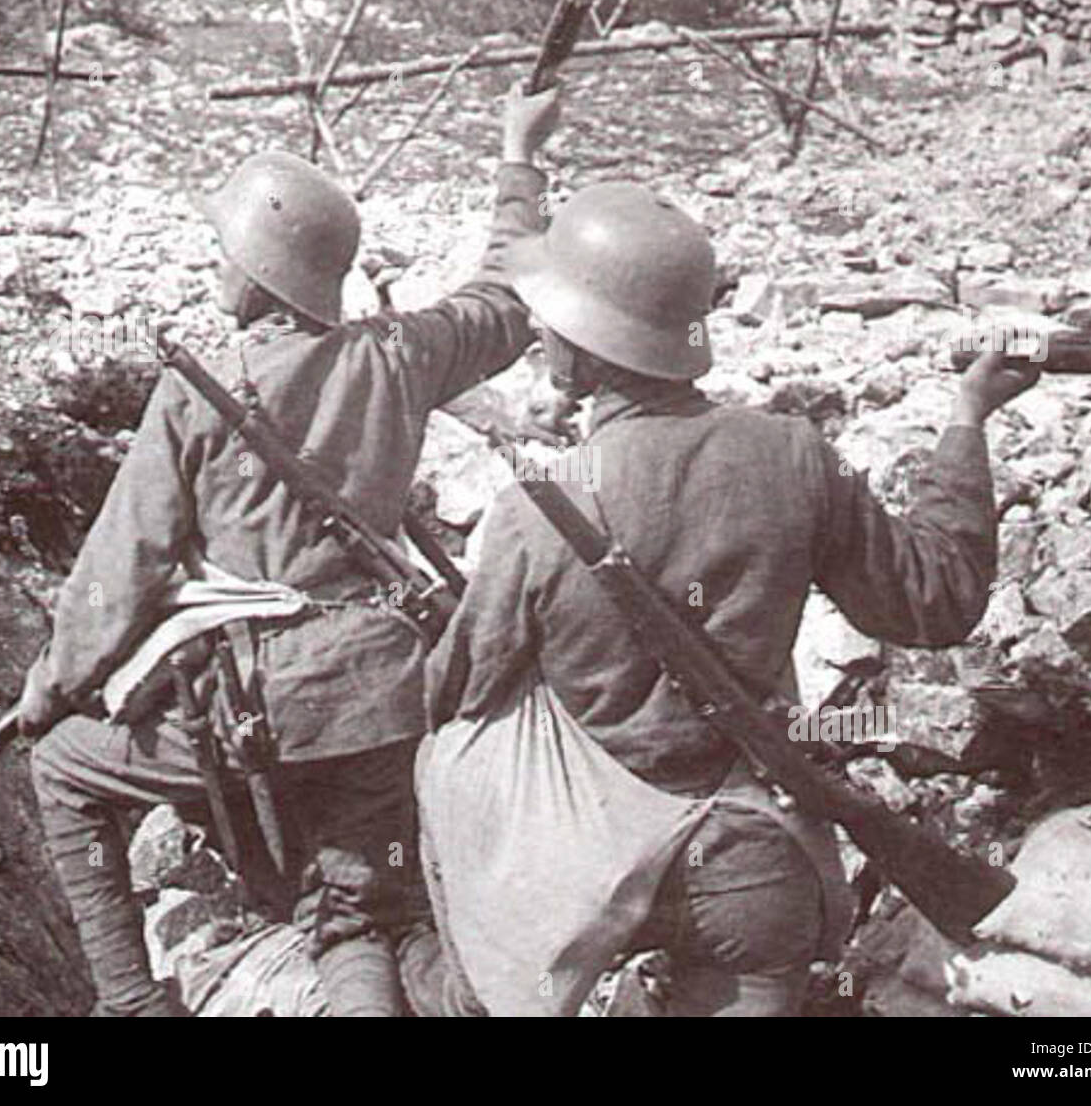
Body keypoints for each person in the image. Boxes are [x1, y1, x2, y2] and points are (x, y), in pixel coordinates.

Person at [418, 180, 1041, 1016]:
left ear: (587, 344)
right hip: (756, 875)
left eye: (549, 316)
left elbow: (460, 690)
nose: (535, 328)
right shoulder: (791, 452)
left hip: (581, 884)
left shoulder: (543, 502)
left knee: (444, 786)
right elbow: (935, 601)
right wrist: (966, 416)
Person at [19, 82, 562, 1017]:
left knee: (62, 767)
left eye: (225, 253)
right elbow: (509, 296)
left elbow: (123, 570)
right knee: (357, 916)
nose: (215, 268)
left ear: (261, 271)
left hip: (263, 709)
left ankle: (129, 1002)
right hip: (389, 702)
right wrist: (520, 153)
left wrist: (50, 688)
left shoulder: (200, 388)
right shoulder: (399, 354)